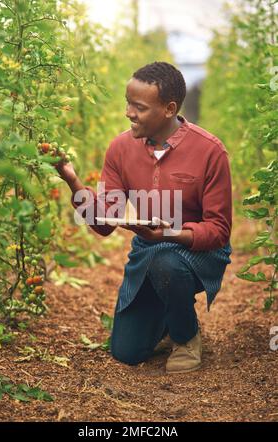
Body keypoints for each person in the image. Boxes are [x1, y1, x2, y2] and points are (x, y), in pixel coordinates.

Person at [55, 61, 233, 374]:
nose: (128, 113)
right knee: (127, 351)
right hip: (148, 253)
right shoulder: (121, 149)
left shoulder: (210, 151)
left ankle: (186, 335)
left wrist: (169, 234)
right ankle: (167, 315)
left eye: (138, 106)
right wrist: (72, 180)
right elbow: (104, 223)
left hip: (198, 253)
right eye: (128, 103)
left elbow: (218, 230)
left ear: (169, 109)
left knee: (167, 262)